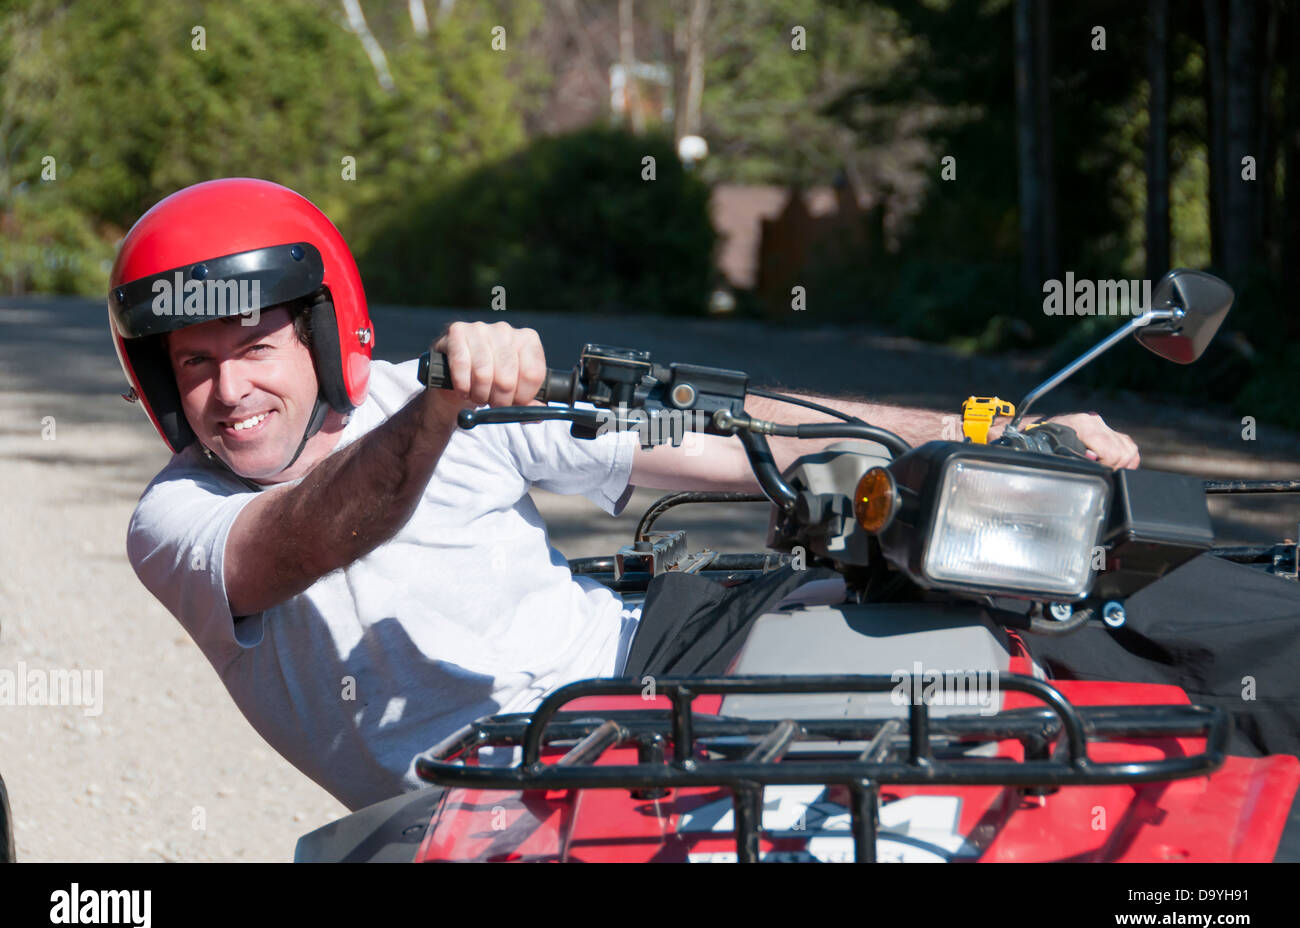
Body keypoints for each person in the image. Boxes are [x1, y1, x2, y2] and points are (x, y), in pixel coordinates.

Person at [111, 178, 1142, 811]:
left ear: (325, 329)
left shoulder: (439, 395)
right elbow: (306, 539)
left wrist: (993, 432)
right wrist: (433, 411)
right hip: (478, 806)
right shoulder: (176, 521)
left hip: (652, 665)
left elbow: (739, 439)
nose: (229, 390)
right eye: (194, 363)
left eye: (254, 347)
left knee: (985, 616)